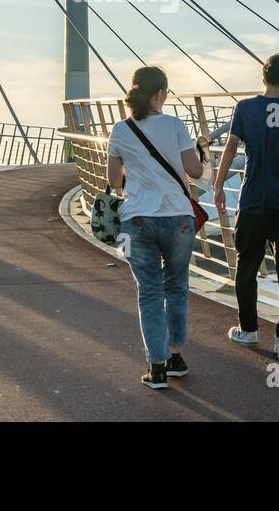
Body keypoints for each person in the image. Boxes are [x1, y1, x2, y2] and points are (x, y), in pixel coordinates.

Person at [107, 66, 204, 390]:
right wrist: (199, 154)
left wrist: (138, 174)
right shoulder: (175, 125)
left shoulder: (121, 129)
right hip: (178, 218)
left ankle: (157, 367)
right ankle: (177, 357)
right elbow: (194, 170)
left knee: (149, 292)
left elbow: (113, 181)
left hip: (137, 220)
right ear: (160, 94)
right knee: (177, 287)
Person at [213, 54, 279, 359]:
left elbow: (230, 147)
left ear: (264, 78)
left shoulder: (245, 108)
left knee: (247, 267)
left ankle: (248, 330)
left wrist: (219, 185)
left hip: (252, 200)